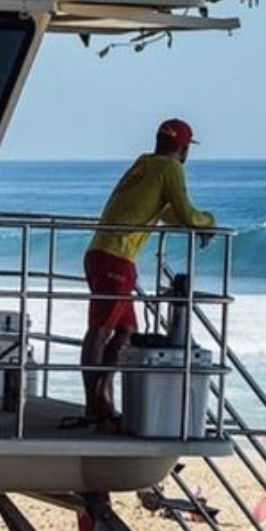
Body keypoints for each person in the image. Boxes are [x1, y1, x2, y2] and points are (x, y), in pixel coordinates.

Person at [79, 118, 216, 429]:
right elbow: (185, 211)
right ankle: (93, 405)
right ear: (183, 149)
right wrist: (207, 221)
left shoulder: (145, 164)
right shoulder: (170, 168)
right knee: (100, 330)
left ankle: (103, 398)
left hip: (104, 254)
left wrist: (190, 222)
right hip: (116, 257)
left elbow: (167, 213)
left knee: (126, 330)